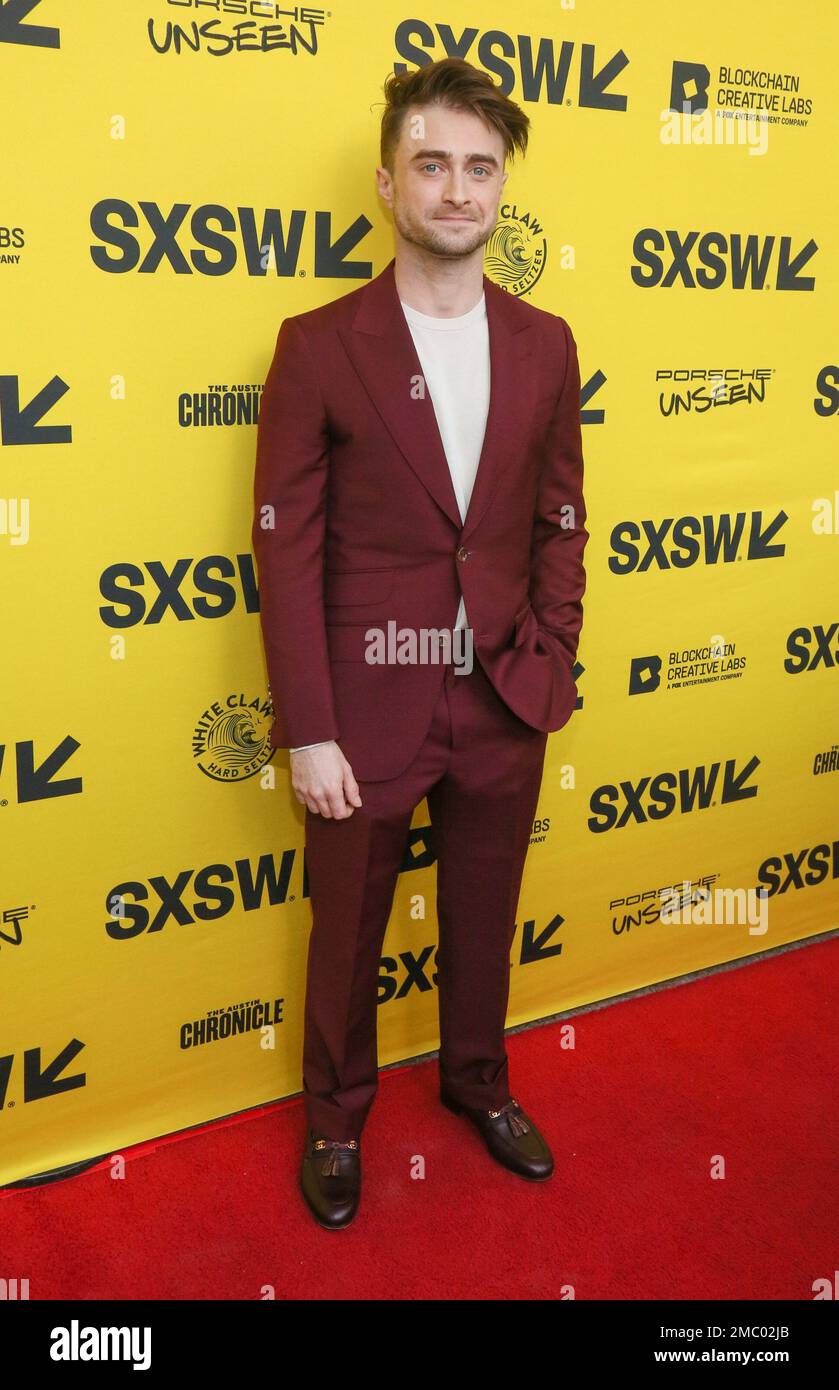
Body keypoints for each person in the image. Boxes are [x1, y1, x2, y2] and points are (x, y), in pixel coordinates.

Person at [252, 56, 588, 1230]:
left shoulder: (546, 344)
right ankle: (336, 1120)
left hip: (503, 691)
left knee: (485, 911)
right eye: (431, 163)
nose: (456, 188)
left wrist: (551, 651)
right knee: (342, 928)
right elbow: (284, 551)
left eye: (478, 167)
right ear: (388, 182)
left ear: (502, 187)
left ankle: (476, 1081)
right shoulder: (315, 343)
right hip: (364, 707)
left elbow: (559, 514)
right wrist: (309, 729)